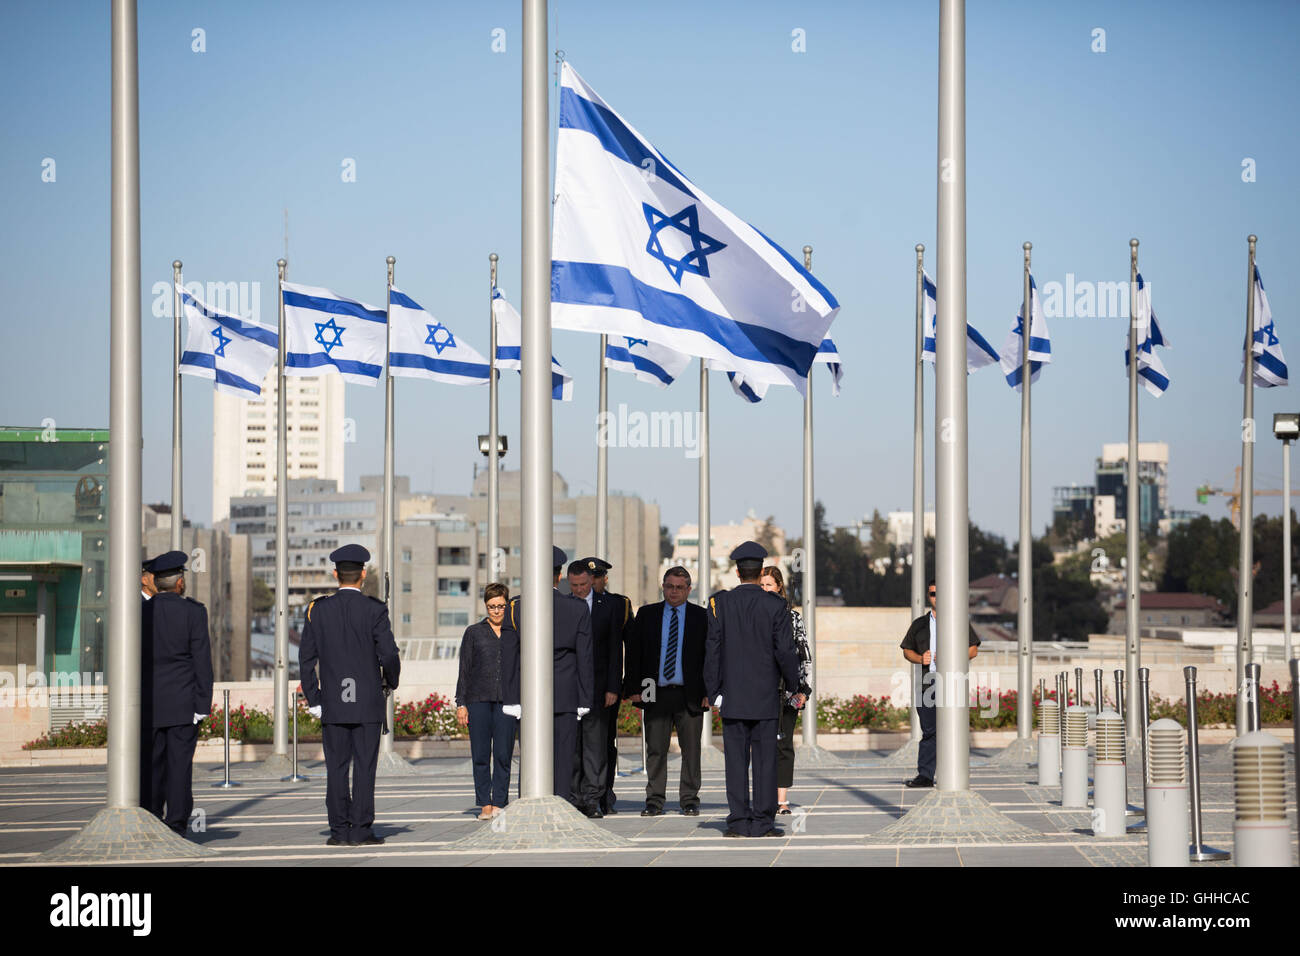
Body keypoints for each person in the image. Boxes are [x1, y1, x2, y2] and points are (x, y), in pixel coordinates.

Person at [299, 544, 401, 847]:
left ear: (335, 574)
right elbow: (389, 654)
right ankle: (360, 830)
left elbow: (305, 660)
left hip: (332, 704)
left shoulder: (317, 610)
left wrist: (315, 699)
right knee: (365, 768)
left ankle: (339, 831)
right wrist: (390, 682)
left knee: (337, 768)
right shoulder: (375, 609)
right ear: (363, 574)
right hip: (367, 702)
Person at [705, 541, 802, 838]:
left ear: (737, 572)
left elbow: (712, 650)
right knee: (765, 761)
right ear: (760, 572)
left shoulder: (718, 603)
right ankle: (762, 821)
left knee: (735, 761)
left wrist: (712, 691)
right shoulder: (776, 605)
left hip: (732, 695)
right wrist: (794, 684)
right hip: (764, 696)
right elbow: (785, 651)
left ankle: (737, 821)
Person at [499, 546, 593, 805]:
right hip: (566, 695)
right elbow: (584, 657)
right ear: (559, 574)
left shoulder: (516, 607)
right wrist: (584, 698)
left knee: (530, 757)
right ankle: (560, 806)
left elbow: (509, 657)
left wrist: (510, 698)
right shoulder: (576, 608)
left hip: (528, 695)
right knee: (563, 760)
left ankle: (528, 805)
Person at [626, 566, 709, 817]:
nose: (674, 592)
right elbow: (634, 654)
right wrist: (633, 688)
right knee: (656, 749)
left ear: (689, 590)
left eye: (679, 587)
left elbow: (710, 657)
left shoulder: (701, 617)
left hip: (690, 693)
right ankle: (654, 800)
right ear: (663, 587)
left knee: (691, 750)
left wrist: (709, 691)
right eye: (669, 586)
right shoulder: (647, 614)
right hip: (655, 692)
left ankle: (690, 799)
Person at [143, 550, 213, 837]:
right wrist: (203, 705)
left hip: (149, 705)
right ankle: (177, 824)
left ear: (155, 583)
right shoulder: (194, 612)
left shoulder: (139, 613)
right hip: (184, 705)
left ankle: (149, 817)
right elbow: (202, 662)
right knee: (180, 768)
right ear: (180, 583)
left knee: (151, 766)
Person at [899, 579, 981, 788]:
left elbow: (973, 649)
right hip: (927, 683)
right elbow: (906, 650)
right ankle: (925, 775)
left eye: (939, 594)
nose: (936, 598)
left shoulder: (958, 621)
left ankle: (955, 774)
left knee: (955, 730)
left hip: (953, 681)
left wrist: (954, 657)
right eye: (932, 594)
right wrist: (920, 658)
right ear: (929, 596)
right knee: (929, 731)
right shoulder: (919, 624)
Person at [455, 582, 516, 820]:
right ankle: (484, 804)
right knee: (480, 754)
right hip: (478, 701)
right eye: (492, 607)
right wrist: (461, 703)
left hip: (507, 702)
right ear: (485, 607)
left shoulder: (515, 632)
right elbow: (464, 670)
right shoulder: (473, 632)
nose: (497, 611)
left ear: (507, 604)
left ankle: (500, 801)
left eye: (501, 606)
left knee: (503, 754)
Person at [566, 560, 622, 818]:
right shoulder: (562, 605)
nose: (579, 590)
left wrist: (613, 686)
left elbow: (614, 651)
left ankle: (593, 799)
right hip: (570, 687)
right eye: (574, 585)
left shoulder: (609, 606)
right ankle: (574, 797)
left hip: (599, 689)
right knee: (573, 747)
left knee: (596, 747)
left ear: (593, 582)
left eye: (583, 585)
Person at [759, 565, 812, 815]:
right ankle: (763, 796)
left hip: (787, 692)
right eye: (761, 586)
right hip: (759, 691)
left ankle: (781, 800)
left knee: (783, 745)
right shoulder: (754, 615)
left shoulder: (793, 618)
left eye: (769, 585)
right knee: (760, 745)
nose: (765, 590)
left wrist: (802, 690)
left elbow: (804, 655)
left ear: (779, 587)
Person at [585, 557, 632, 815]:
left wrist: (620, 685)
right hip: (578, 687)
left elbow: (623, 648)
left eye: (597, 577)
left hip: (606, 689)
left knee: (605, 743)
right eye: (589, 577)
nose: (593, 581)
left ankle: (605, 793)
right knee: (580, 745)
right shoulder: (571, 603)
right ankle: (584, 793)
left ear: (604, 578)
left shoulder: (619, 605)